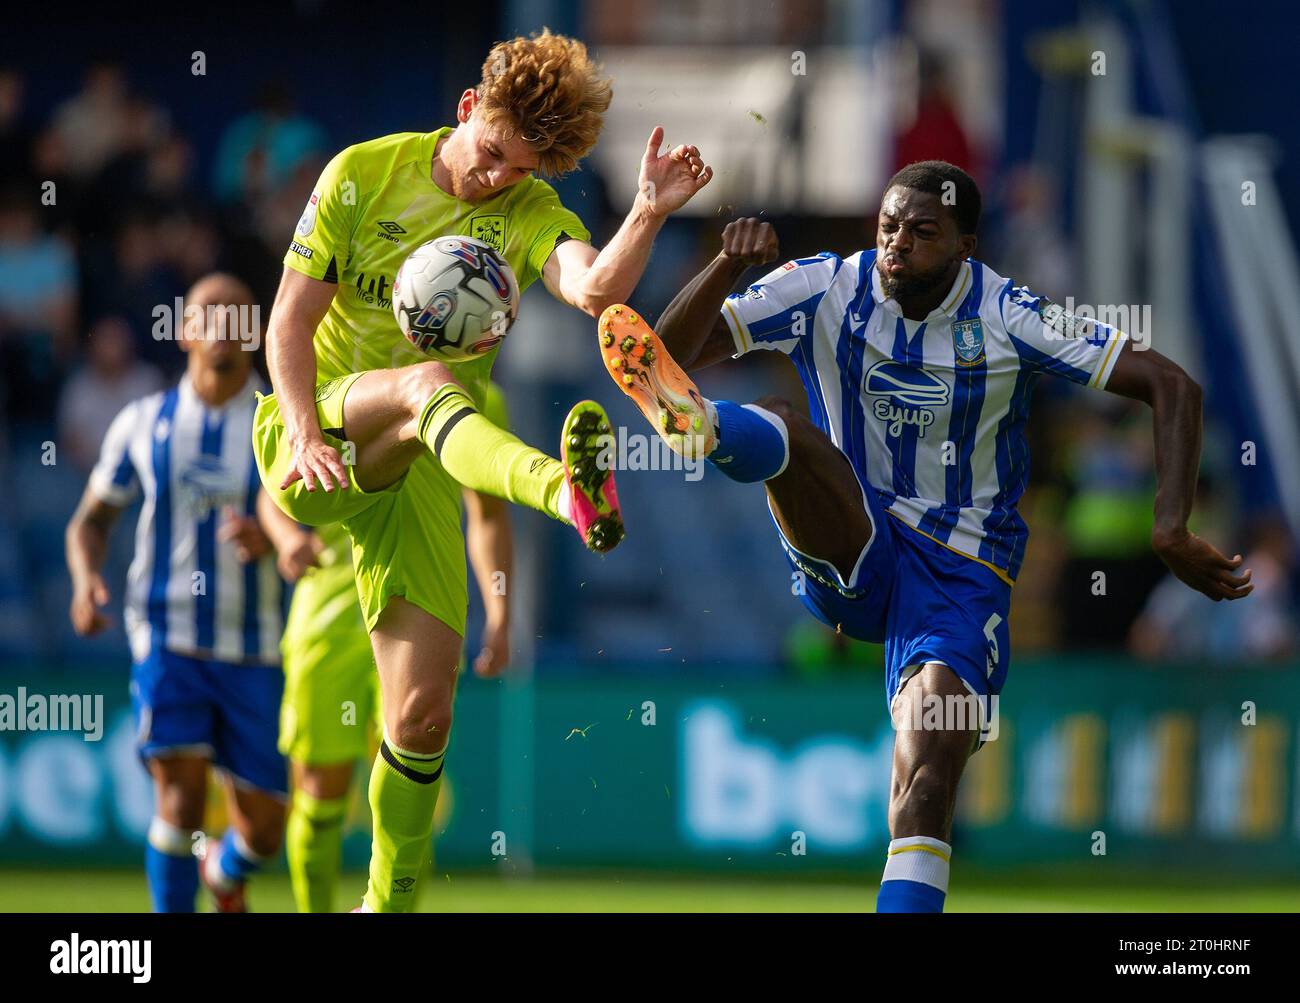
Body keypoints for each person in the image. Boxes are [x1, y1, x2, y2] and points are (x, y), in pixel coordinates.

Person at [597, 160, 1252, 912]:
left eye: (921, 231)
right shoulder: (824, 285)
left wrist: (1169, 526)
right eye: (887, 227)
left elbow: (1173, 385)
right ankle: (704, 426)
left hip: (962, 582)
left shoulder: (1012, 314)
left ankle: (712, 429)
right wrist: (724, 266)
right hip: (855, 538)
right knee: (786, 422)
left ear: (965, 245)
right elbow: (660, 357)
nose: (896, 244)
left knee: (927, 776)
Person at [254, 29, 712, 912]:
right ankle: (563, 492)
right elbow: (285, 325)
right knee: (426, 382)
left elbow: (592, 290)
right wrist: (308, 430)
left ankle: (386, 906)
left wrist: (648, 211)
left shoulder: (528, 207)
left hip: (422, 463)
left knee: (423, 718)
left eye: (520, 169)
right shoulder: (360, 172)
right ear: (468, 109)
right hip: (315, 432)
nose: (497, 179)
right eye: (494, 154)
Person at [65, 273, 287, 912]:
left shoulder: (279, 420)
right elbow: (91, 520)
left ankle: (226, 867)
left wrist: (272, 542)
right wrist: (86, 582)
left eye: (241, 313)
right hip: (167, 634)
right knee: (180, 799)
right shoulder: (144, 422)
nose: (226, 324)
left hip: (256, 645)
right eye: (210, 313)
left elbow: (307, 521)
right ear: (185, 329)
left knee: (266, 830)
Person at [262, 383, 515, 913]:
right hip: (328, 616)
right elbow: (273, 488)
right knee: (320, 790)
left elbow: (487, 516)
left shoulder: (480, 398)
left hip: (416, 615)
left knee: (410, 782)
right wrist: (288, 542)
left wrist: (499, 613)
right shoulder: (344, 381)